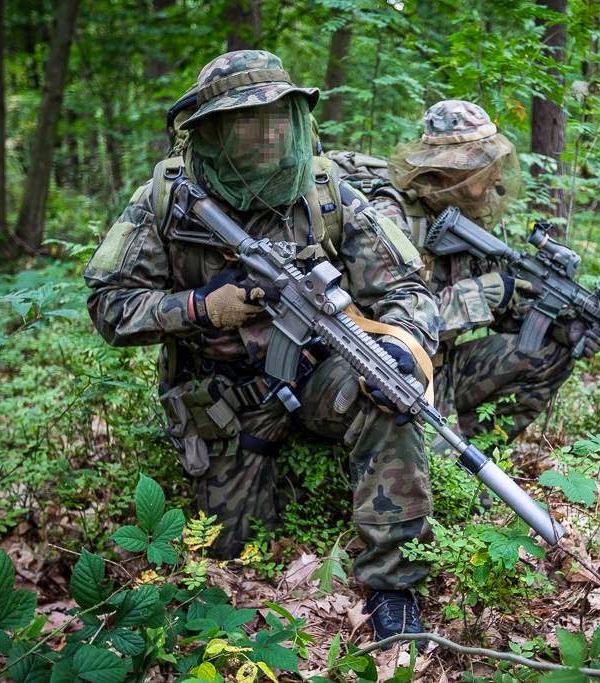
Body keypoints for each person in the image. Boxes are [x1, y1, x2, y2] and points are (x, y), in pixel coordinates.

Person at [83, 50, 438, 645]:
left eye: (278, 118)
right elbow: (109, 305)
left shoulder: (326, 192)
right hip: (224, 400)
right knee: (231, 559)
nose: (268, 135)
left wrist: (404, 346)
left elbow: (407, 288)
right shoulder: (165, 200)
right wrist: (198, 308)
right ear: (213, 131)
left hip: (317, 374)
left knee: (391, 397)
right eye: (246, 122)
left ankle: (393, 586)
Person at [330, 100, 600, 450]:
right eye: (482, 165)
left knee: (548, 353)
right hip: (394, 373)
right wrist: (480, 294)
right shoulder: (391, 216)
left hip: (445, 368)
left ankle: (472, 452)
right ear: (448, 170)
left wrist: (565, 326)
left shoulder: (467, 218)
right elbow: (377, 325)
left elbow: (508, 303)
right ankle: (449, 459)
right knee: (442, 477)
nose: (496, 177)